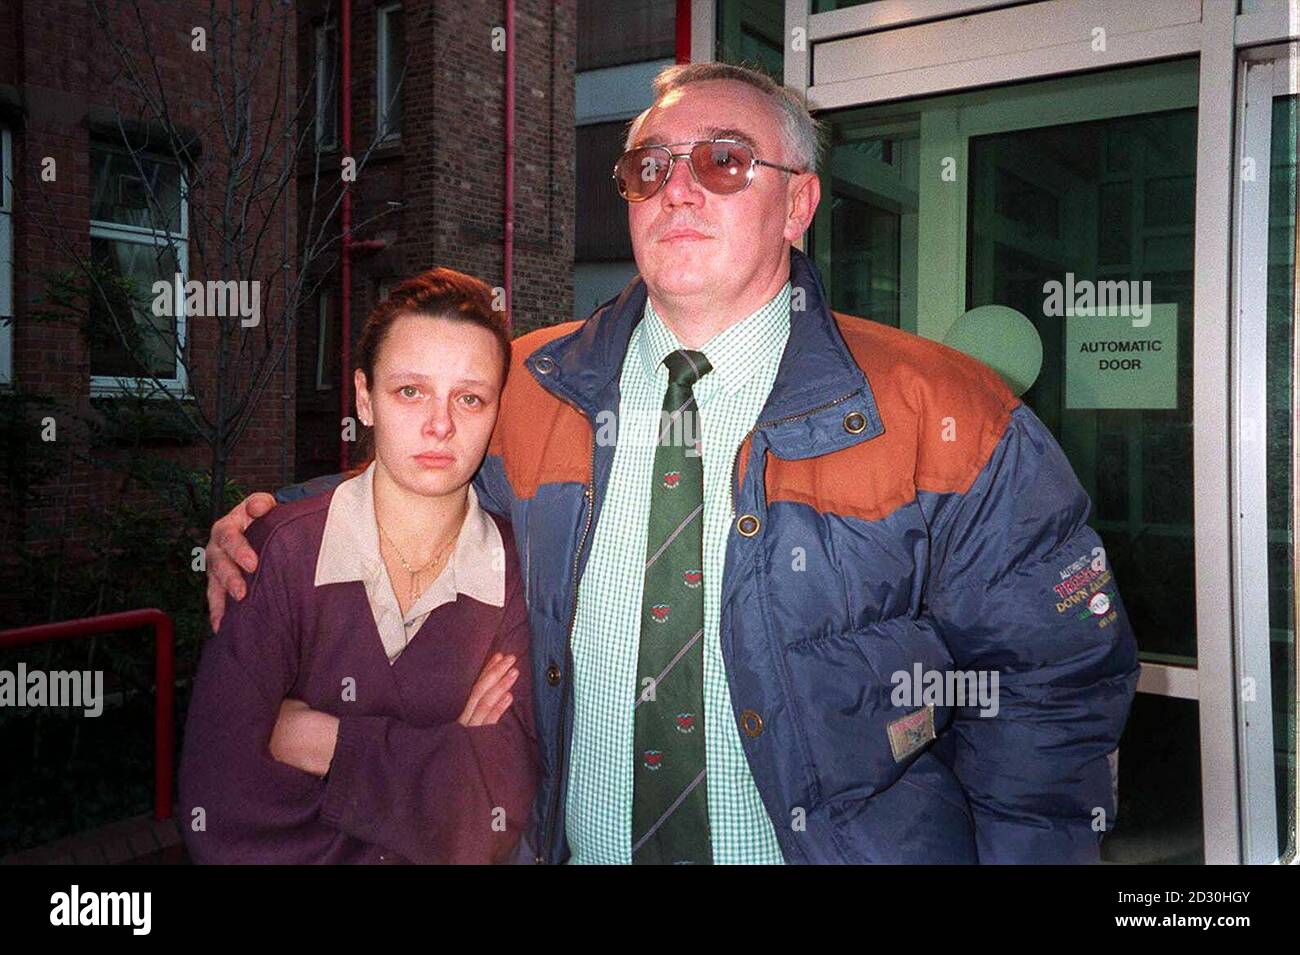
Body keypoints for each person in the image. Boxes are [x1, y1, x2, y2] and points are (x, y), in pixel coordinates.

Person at [205, 63, 1139, 864]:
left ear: (799, 203)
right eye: (648, 168)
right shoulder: (534, 386)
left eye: (722, 161)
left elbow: (1050, 697)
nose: (676, 189)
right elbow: (422, 474)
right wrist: (277, 522)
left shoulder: (948, 414)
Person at [180, 268, 538, 864]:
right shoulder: (277, 553)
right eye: (410, 391)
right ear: (365, 399)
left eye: (469, 398)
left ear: (496, 412)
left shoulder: (516, 570)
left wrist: (329, 744)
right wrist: (444, 758)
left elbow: (494, 813)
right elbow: (219, 816)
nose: (440, 425)